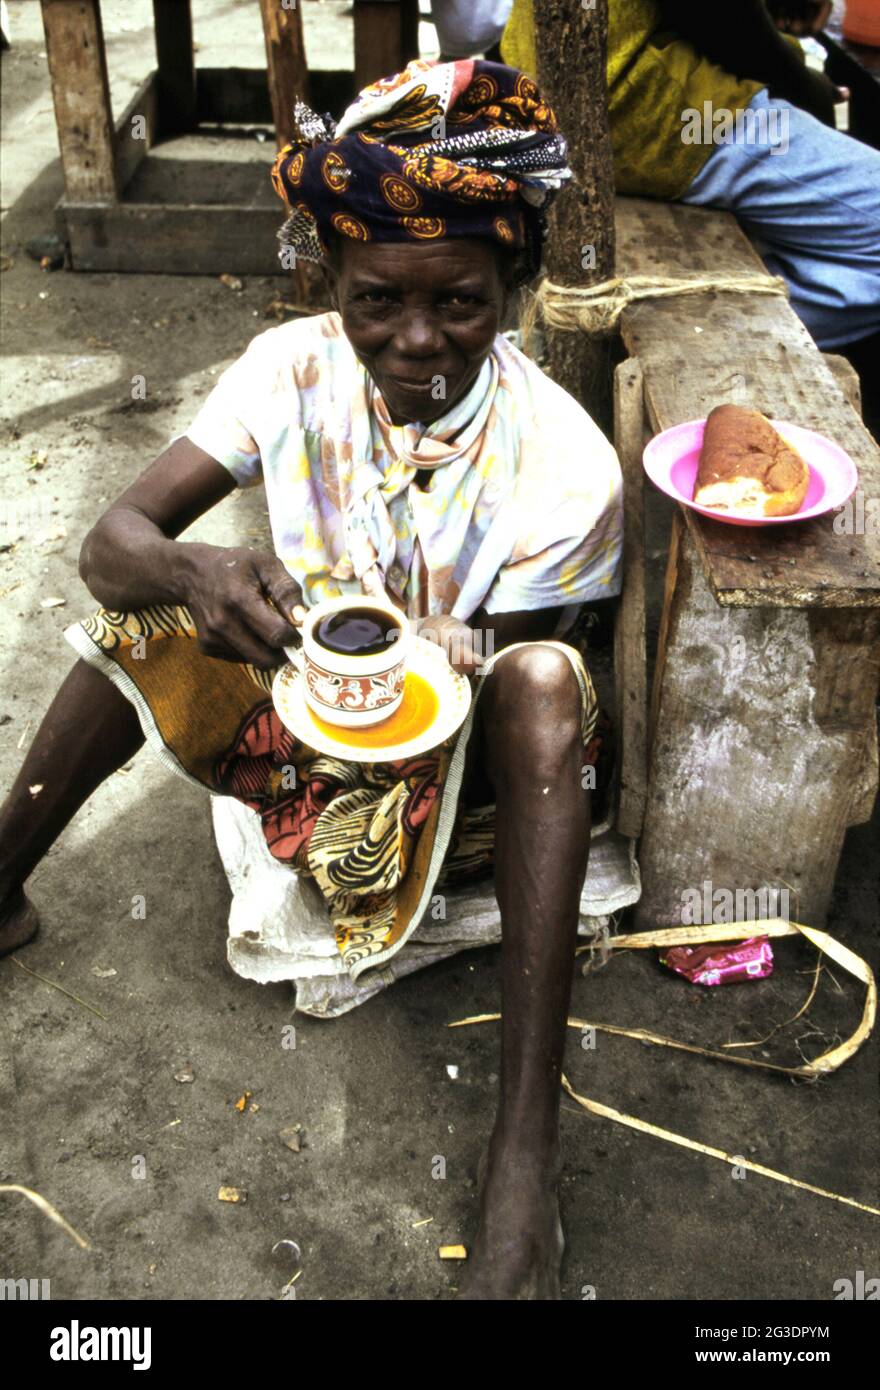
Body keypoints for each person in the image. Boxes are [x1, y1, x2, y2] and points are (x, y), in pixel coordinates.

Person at [0, 59, 623, 1299]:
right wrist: (198, 570)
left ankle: (523, 1150)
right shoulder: (291, 367)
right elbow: (106, 544)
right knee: (146, 613)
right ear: (326, 283)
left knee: (546, 684)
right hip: (302, 745)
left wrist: (479, 646)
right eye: (376, 301)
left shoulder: (567, 464)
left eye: (459, 303)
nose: (416, 342)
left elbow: (546, 683)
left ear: (514, 285)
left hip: (449, 803)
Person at [433, 0, 880, 379]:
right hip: (661, 113)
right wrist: (805, 85)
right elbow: (720, 16)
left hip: (570, 99)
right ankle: (684, 343)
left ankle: (693, 327)